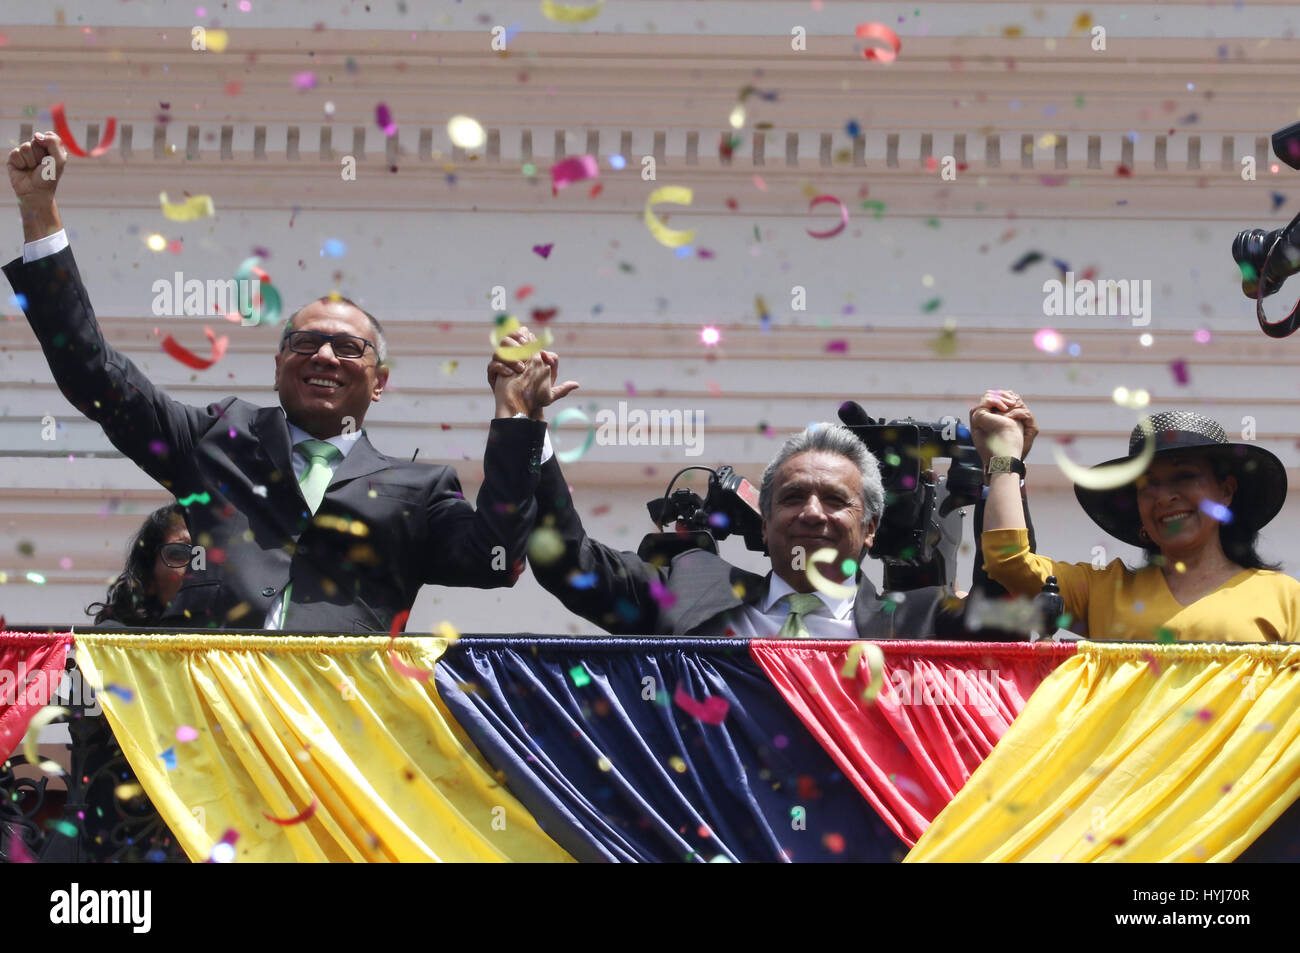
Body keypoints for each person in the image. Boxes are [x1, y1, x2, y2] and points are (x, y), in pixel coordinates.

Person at [5, 131, 554, 632]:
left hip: (342, 721)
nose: (323, 355)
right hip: (211, 711)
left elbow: (494, 560)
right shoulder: (216, 440)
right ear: (277, 366)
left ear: (379, 382)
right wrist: (39, 213)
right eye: (304, 342)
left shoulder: (420, 489)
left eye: (348, 347)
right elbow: (95, 376)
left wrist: (517, 420)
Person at [488, 334, 1037, 640]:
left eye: (835, 500)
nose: (812, 513)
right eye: (792, 497)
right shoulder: (690, 587)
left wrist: (1003, 464)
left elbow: (1012, 612)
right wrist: (525, 424)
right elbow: (568, 564)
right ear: (766, 519)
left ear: (870, 530)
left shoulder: (917, 621)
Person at [971, 389, 1300, 642]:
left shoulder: (1286, 598)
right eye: (1148, 486)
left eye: (1184, 477)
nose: (1165, 496)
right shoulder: (1102, 593)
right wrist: (1004, 458)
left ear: (1225, 491)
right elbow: (1008, 561)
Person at [86, 503, 190, 624]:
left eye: (210, 556)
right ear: (149, 578)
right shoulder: (111, 640)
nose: (199, 565)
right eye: (179, 552)